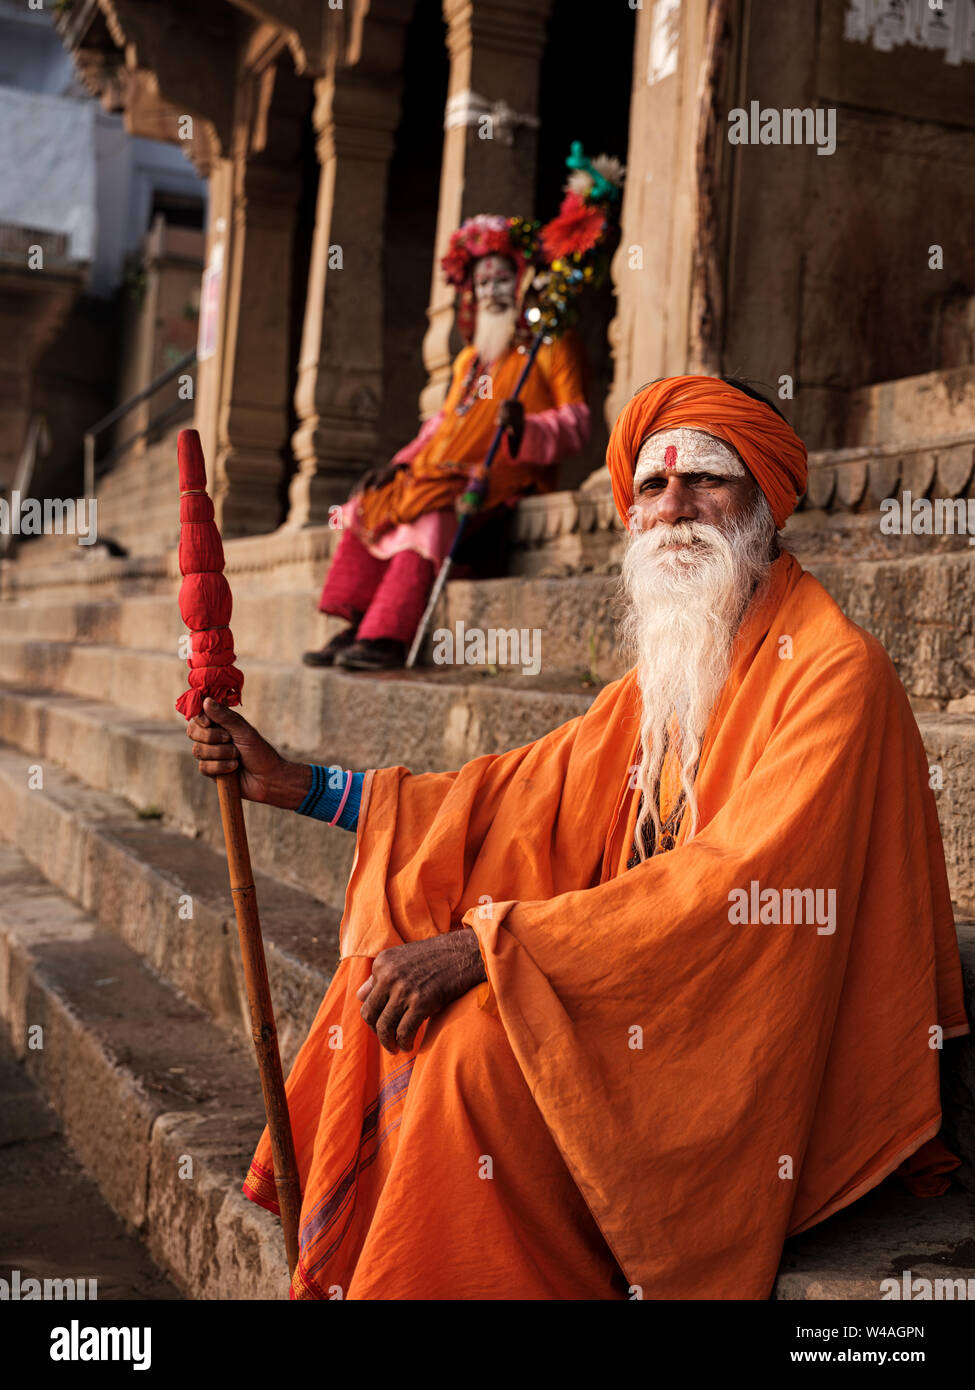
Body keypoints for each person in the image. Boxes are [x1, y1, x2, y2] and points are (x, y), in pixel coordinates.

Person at [188, 375, 969, 1299]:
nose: (674, 511)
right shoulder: (667, 674)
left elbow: (735, 885)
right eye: (650, 488)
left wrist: (490, 945)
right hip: (643, 988)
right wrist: (300, 786)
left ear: (766, 500)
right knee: (433, 1029)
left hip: (755, 1038)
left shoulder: (835, 670)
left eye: (705, 482)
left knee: (473, 1052)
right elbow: (511, 798)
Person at [302, 214, 590, 671]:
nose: (492, 290)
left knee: (429, 517)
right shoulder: (469, 362)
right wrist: (400, 464)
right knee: (367, 503)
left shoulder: (550, 344)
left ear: (522, 282)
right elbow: (441, 425)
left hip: (496, 478)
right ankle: (359, 624)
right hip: (438, 470)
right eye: (483, 282)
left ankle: (388, 635)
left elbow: (577, 422)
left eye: (502, 278)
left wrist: (524, 427)